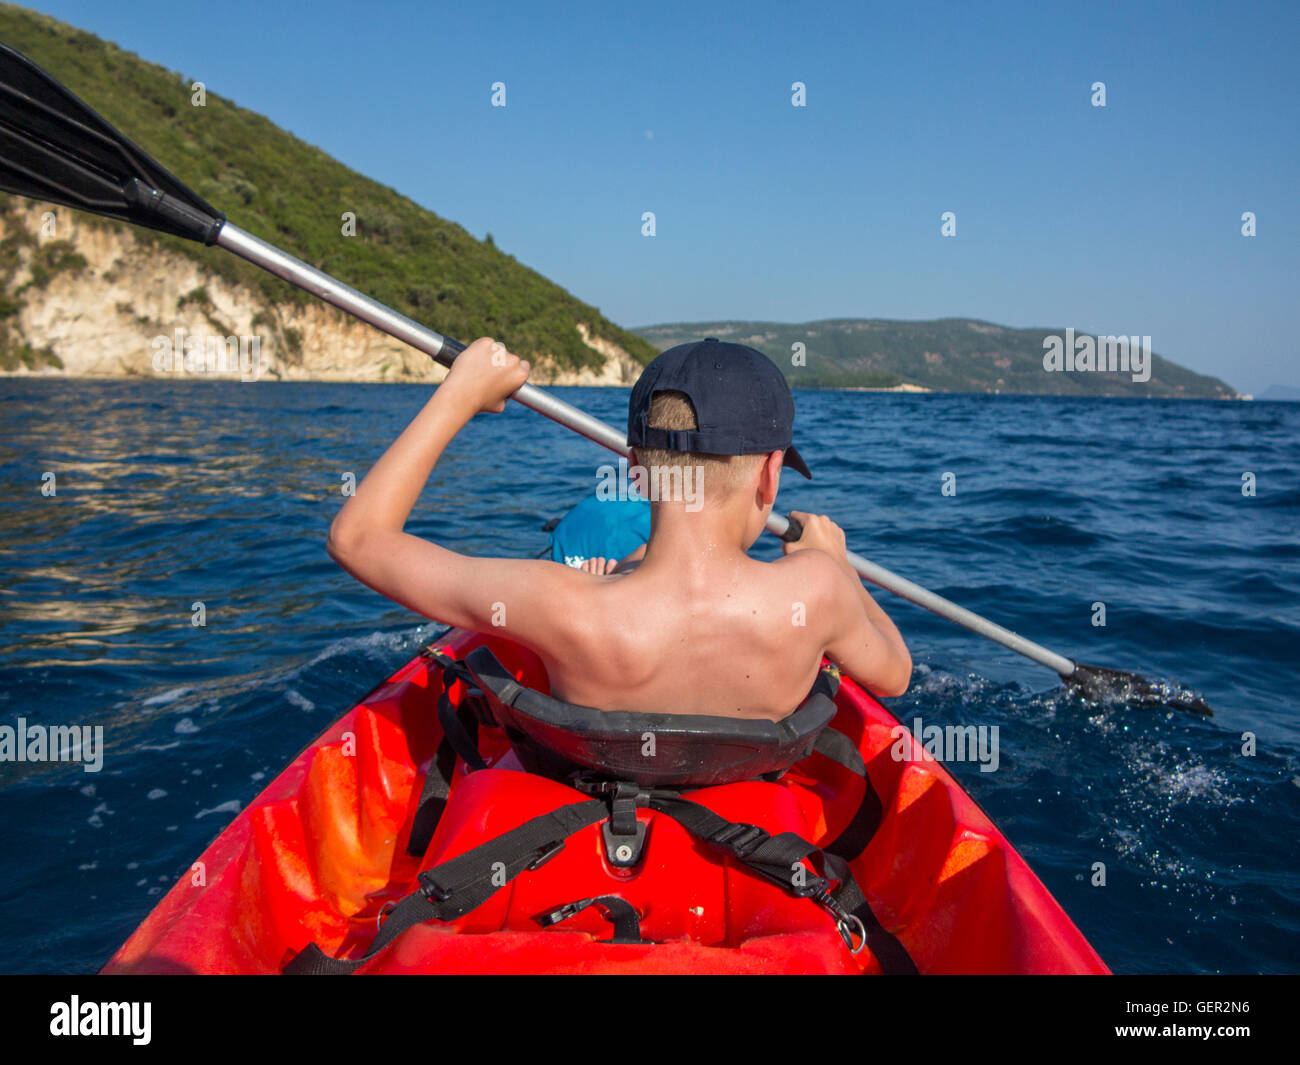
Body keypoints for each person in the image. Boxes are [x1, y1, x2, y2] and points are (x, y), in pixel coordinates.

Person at [327, 336, 911, 719]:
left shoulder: (563, 601)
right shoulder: (816, 589)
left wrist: (461, 393)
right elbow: (895, 674)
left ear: (636, 473)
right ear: (771, 475)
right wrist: (838, 562)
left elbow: (359, 540)